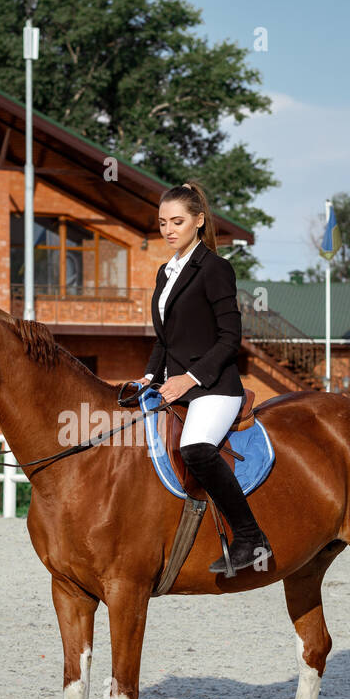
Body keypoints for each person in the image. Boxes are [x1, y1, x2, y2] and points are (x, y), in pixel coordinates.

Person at [134, 180, 272, 573]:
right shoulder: (166, 272)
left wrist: (189, 378)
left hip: (213, 387)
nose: (168, 230)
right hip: (175, 384)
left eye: (177, 221)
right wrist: (149, 375)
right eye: (162, 223)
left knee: (195, 447)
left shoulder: (215, 268)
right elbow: (165, 338)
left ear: (198, 221)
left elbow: (231, 338)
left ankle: (250, 537)